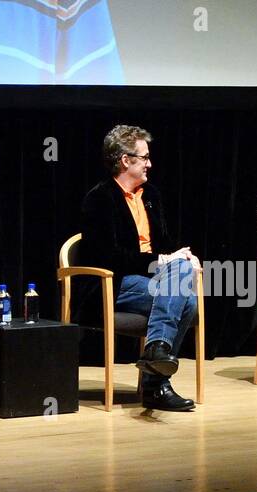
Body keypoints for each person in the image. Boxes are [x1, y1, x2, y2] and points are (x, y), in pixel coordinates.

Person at [79, 125, 199, 411]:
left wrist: (183, 257)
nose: (150, 163)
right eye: (144, 157)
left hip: (154, 281)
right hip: (113, 283)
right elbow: (107, 257)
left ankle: (155, 354)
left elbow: (166, 243)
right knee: (187, 299)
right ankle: (155, 383)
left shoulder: (150, 195)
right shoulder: (99, 199)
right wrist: (161, 261)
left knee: (186, 287)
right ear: (125, 160)